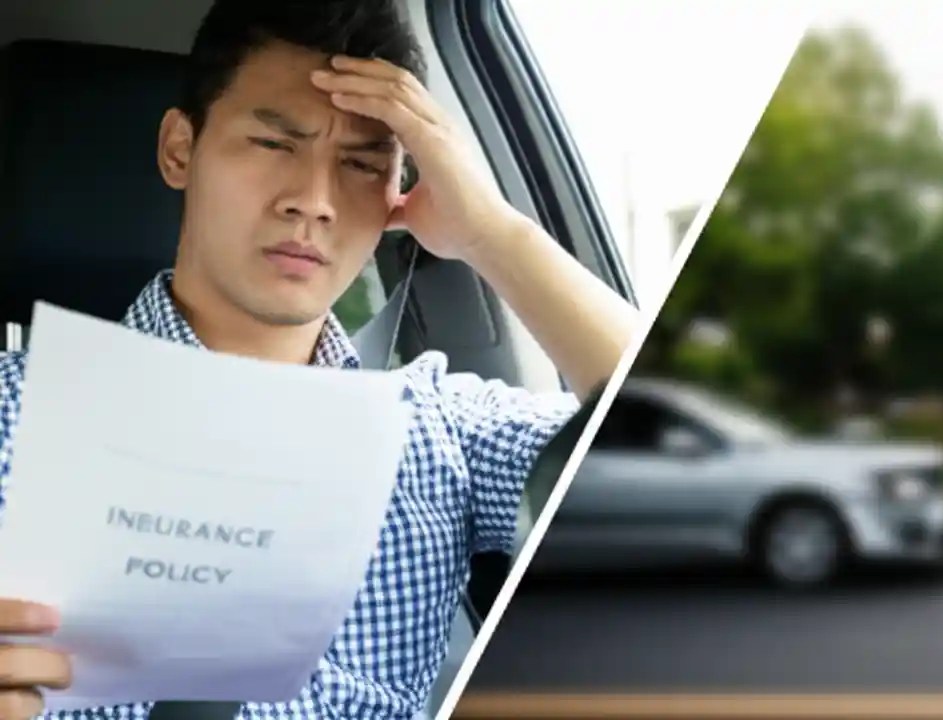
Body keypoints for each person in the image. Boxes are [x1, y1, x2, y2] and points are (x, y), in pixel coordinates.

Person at [0, 0, 638, 717]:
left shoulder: (441, 428)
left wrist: (492, 233)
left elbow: (661, 455)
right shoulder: (12, 414)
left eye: (362, 164)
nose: (313, 201)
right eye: (275, 145)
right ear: (180, 149)